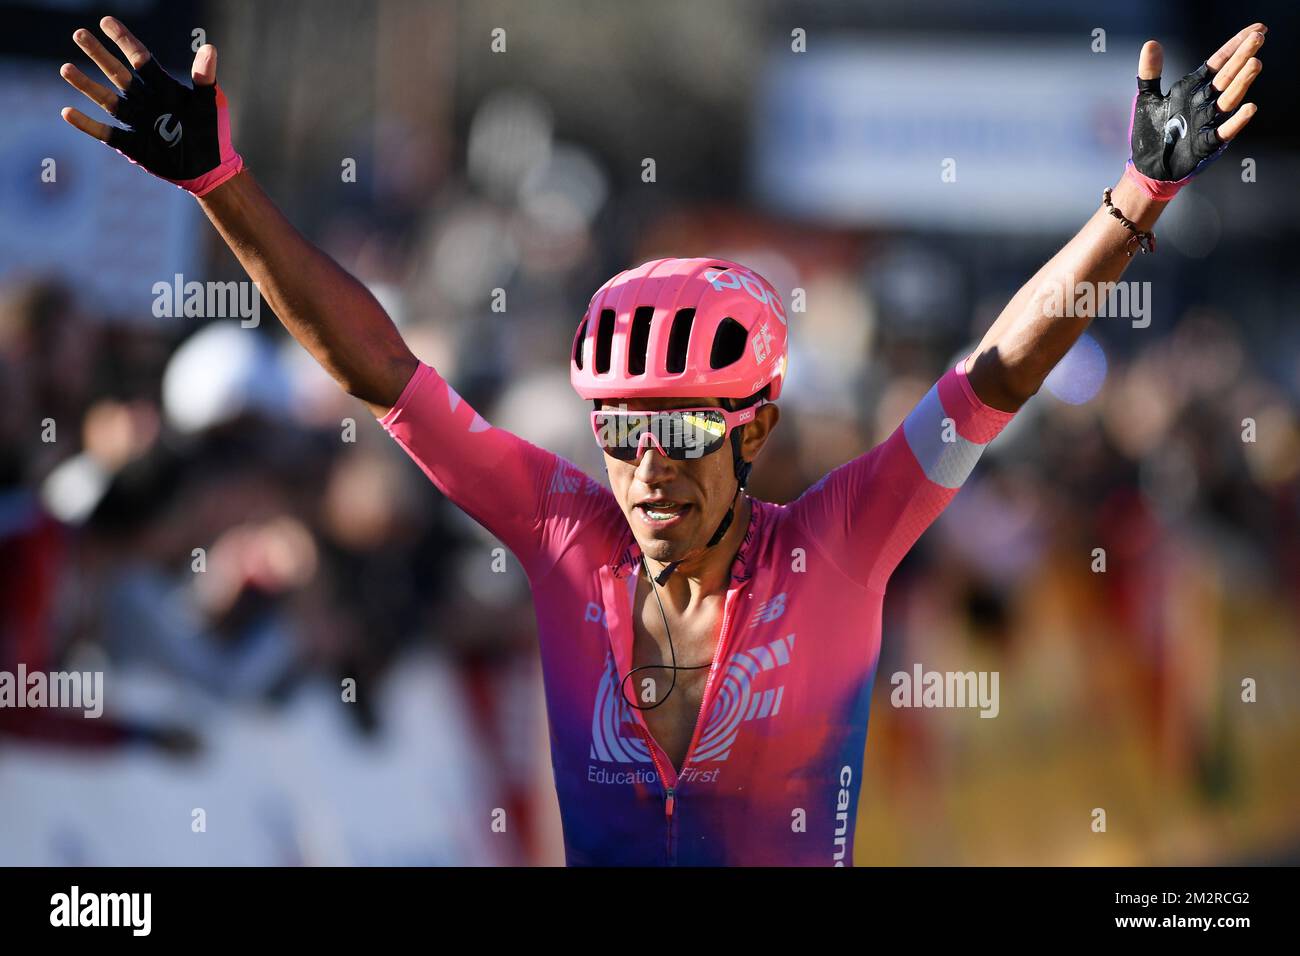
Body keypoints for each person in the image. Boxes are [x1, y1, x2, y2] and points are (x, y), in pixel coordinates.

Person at [57, 16, 1266, 865]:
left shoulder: (841, 542)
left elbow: (994, 370)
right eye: (621, 430)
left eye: (683, 430)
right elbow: (382, 371)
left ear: (755, 433)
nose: (644, 466)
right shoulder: (562, 537)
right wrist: (221, 183)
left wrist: (1133, 204)